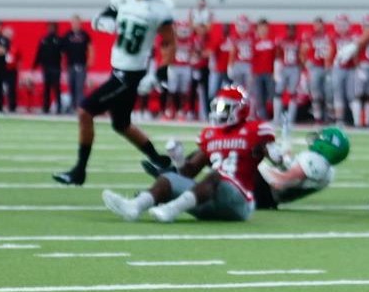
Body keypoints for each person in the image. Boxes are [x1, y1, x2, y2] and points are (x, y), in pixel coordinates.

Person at [52, 0, 176, 186]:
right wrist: (102, 21)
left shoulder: (162, 6)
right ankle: (160, 161)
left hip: (129, 74)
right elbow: (106, 14)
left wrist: (160, 71)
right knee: (121, 124)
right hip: (117, 69)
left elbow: (169, 41)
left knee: (84, 111)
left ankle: (79, 171)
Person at [105, 86, 262, 222]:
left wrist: (279, 157)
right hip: (212, 202)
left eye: (224, 108)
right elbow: (189, 173)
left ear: (240, 109)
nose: (218, 112)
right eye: (217, 107)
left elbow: (275, 158)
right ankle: (134, 206)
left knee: (217, 175)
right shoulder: (211, 136)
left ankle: (171, 210)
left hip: (239, 203)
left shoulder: (254, 132)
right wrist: (179, 159)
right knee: (169, 178)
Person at [62, 15, 91, 108]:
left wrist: (90, 61)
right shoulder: (67, 35)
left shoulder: (85, 35)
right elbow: (63, 51)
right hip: (70, 65)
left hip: (81, 65)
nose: (75, 24)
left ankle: (80, 107)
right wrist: (62, 63)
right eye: (73, 22)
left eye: (77, 22)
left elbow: (91, 48)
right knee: (71, 87)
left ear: (80, 23)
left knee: (80, 87)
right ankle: (72, 106)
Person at [34, 23, 63, 116]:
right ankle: (46, 107)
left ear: (56, 29)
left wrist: (63, 64)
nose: (51, 29)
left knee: (56, 88)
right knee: (46, 88)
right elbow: (39, 53)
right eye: (49, 28)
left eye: (52, 28)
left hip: (56, 68)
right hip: (46, 68)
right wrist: (35, 65)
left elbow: (63, 54)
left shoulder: (59, 40)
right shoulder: (44, 40)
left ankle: (59, 107)